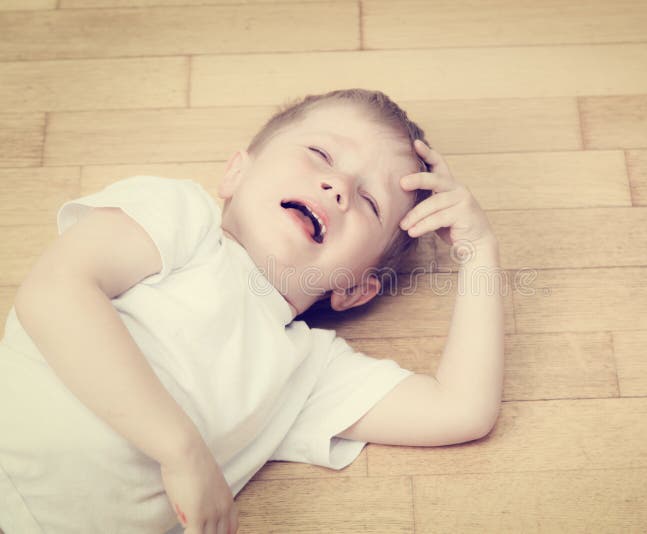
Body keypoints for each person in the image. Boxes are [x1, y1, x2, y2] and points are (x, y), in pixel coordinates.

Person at [0, 88, 504, 533]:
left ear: (355, 289)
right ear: (237, 172)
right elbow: (54, 291)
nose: (339, 187)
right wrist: (181, 449)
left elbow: (461, 409)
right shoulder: (181, 219)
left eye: (370, 201)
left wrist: (478, 249)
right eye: (320, 154)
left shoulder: (306, 370)